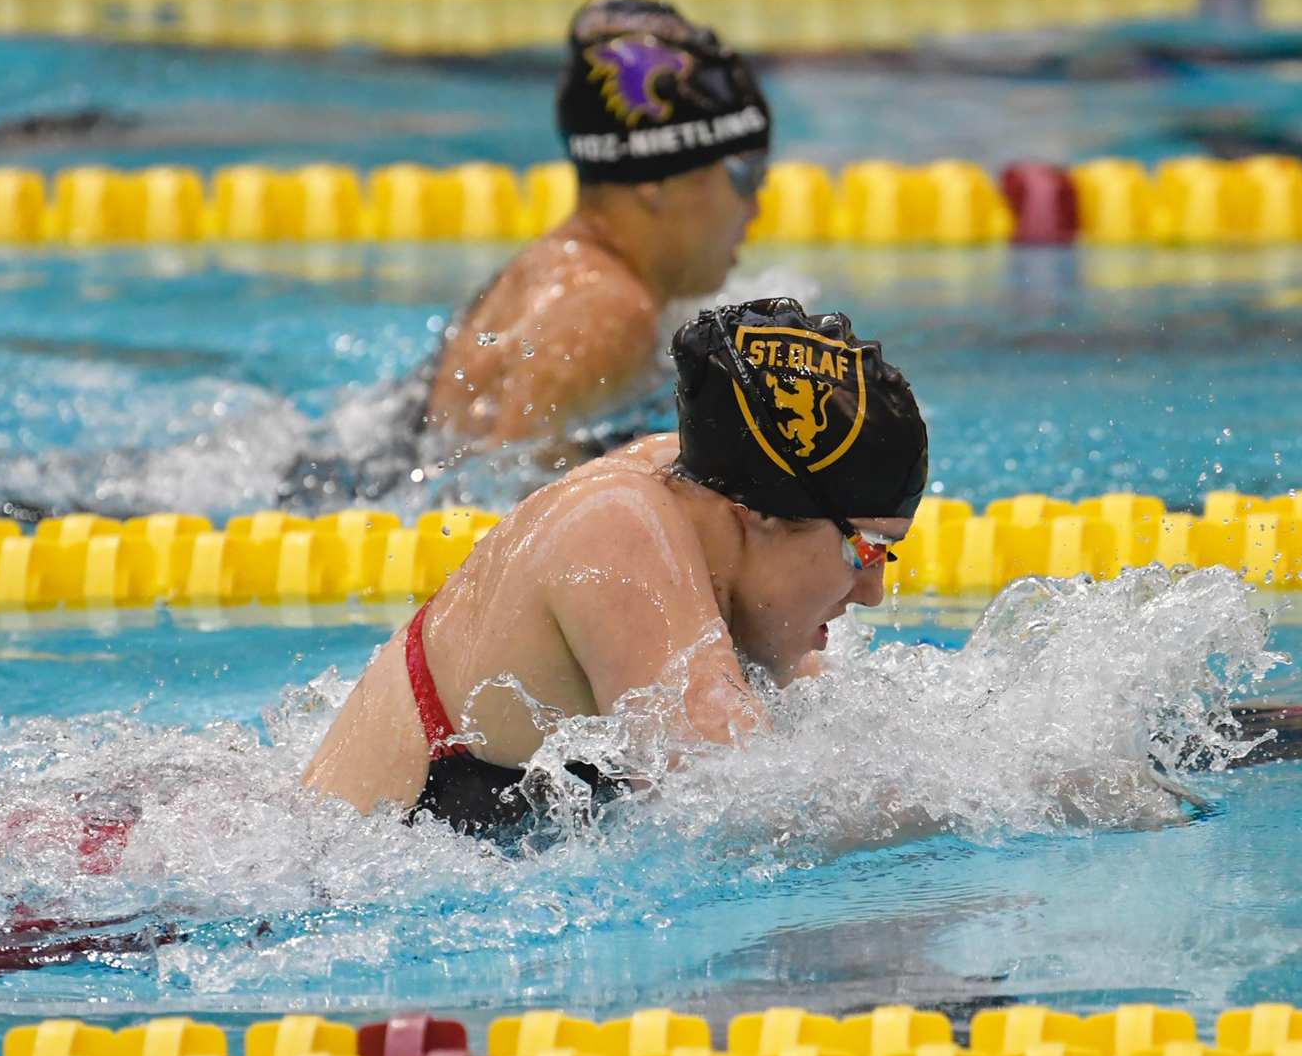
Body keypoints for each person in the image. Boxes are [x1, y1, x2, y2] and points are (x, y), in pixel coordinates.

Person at [301, 298, 929, 838]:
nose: (872, 592)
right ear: (758, 517)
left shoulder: (701, 498)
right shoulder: (620, 526)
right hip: (293, 920)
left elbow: (818, 750)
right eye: (866, 550)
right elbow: (751, 816)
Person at [417, 0, 774, 443]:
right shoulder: (612, 309)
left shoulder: (556, 269)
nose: (755, 208)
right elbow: (507, 494)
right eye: (747, 176)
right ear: (655, 179)